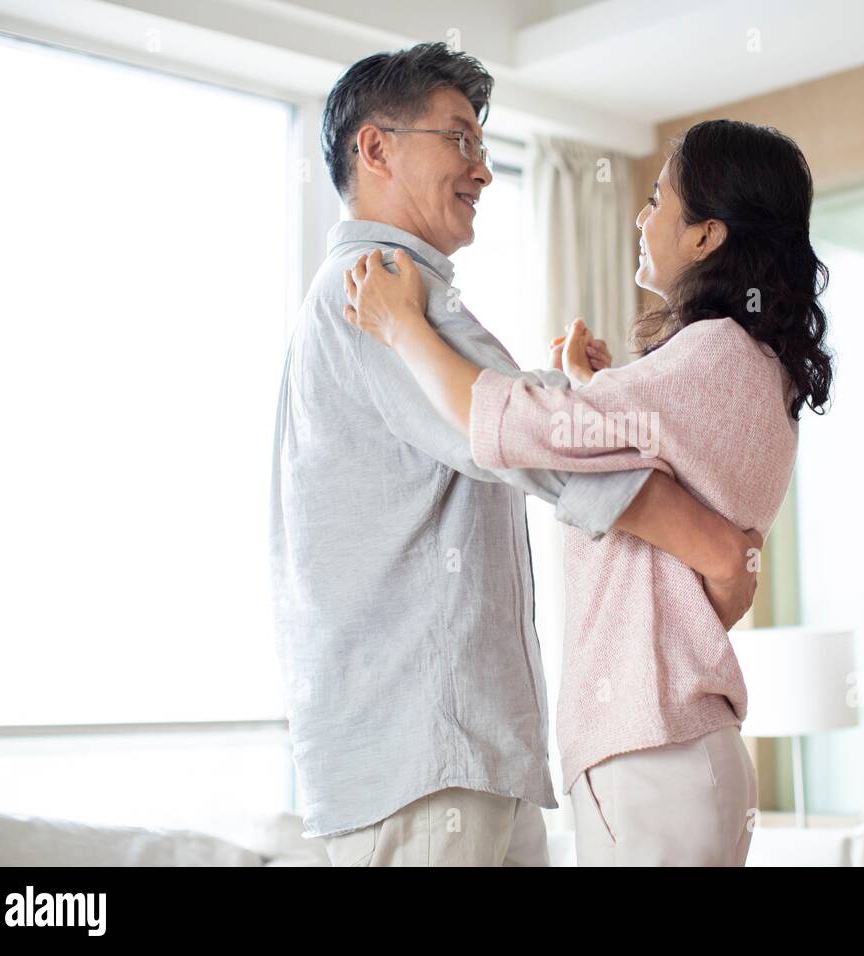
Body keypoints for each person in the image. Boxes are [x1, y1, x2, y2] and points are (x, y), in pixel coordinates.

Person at [270, 44, 762, 867]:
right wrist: (708, 540)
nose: (484, 170)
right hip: (424, 763)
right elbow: (531, 443)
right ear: (377, 148)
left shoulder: (403, 294)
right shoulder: (378, 285)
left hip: (459, 756)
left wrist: (580, 393)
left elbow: (509, 416)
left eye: (484, 146)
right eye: (459, 140)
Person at [342, 117, 834, 865]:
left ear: (707, 236)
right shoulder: (750, 362)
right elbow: (637, 472)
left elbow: (533, 429)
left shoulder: (714, 353)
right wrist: (593, 386)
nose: (643, 217)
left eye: (659, 199)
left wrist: (405, 326)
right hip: (668, 750)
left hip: (653, 748)